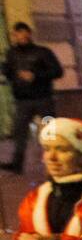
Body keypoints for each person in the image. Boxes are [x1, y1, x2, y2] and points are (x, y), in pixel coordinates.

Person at [2, 23, 64, 173]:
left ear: (30, 34)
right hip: (22, 101)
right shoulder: (12, 53)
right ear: (14, 36)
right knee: (19, 133)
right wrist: (6, 72)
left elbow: (58, 72)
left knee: (51, 131)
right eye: (18, 33)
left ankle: (59, 161)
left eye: (25, 33)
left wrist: (35, 76)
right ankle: (17, 164)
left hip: (43, 99)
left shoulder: (43, 52)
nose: (22, 36)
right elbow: (9, 71)